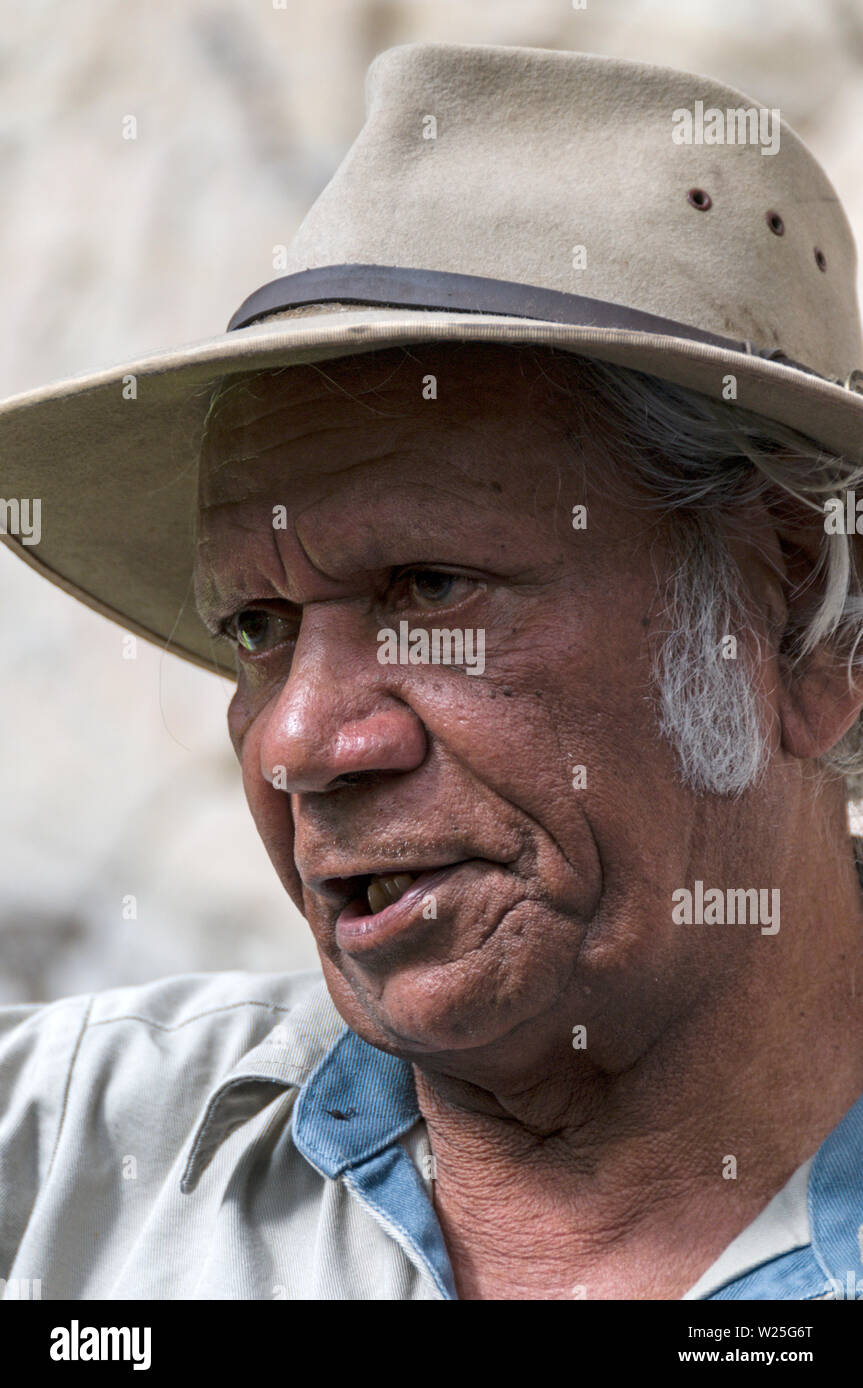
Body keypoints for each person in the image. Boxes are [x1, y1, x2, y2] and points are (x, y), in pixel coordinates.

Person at [2, 41, 863, 1301]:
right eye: (255, 625)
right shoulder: (68, 1157)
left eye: (427, 589)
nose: (297, 741)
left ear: (793, 620)